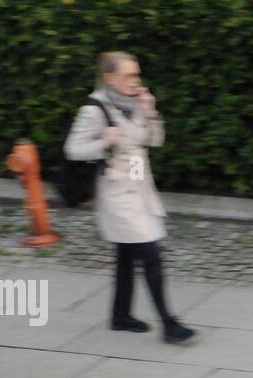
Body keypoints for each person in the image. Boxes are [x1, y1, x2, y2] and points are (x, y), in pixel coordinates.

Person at [64, 51, 195, 344]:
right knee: (151, 254)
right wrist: (103, 142)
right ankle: (169, 323)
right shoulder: (94, 109)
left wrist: (150, 113)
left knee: (125, 254)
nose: (135, 81)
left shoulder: (135, 102)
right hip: (117, 195)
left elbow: (154, 141)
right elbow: (73, 150)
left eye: (137, 74)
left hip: (141, 189)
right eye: (128, 75)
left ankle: (120, 315)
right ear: (109, 78)